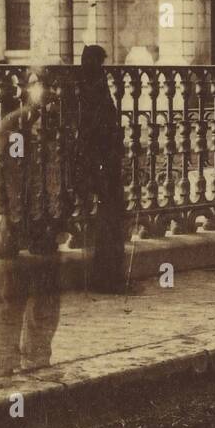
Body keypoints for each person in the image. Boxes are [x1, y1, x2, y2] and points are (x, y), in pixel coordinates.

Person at [0, 74, 64, 380]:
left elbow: (66, 174)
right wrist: (9, 216)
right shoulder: (12, 127)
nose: (50, 94)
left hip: (46, 226)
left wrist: (60, 216)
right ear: (29, 90)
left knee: (47, 295)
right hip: (16, 226)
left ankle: (38, 358)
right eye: (43, 86)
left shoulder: (60, 129)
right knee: (11, 298)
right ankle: (1, 365)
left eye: (54, 88)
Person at [72, 45, 127, 293]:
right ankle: (108, 278)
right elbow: (102, 124)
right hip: (103, 160)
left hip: (99, 159)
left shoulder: (87, 85)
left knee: (107, 218)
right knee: (110, 218)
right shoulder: (94, 87)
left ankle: (106, 277)